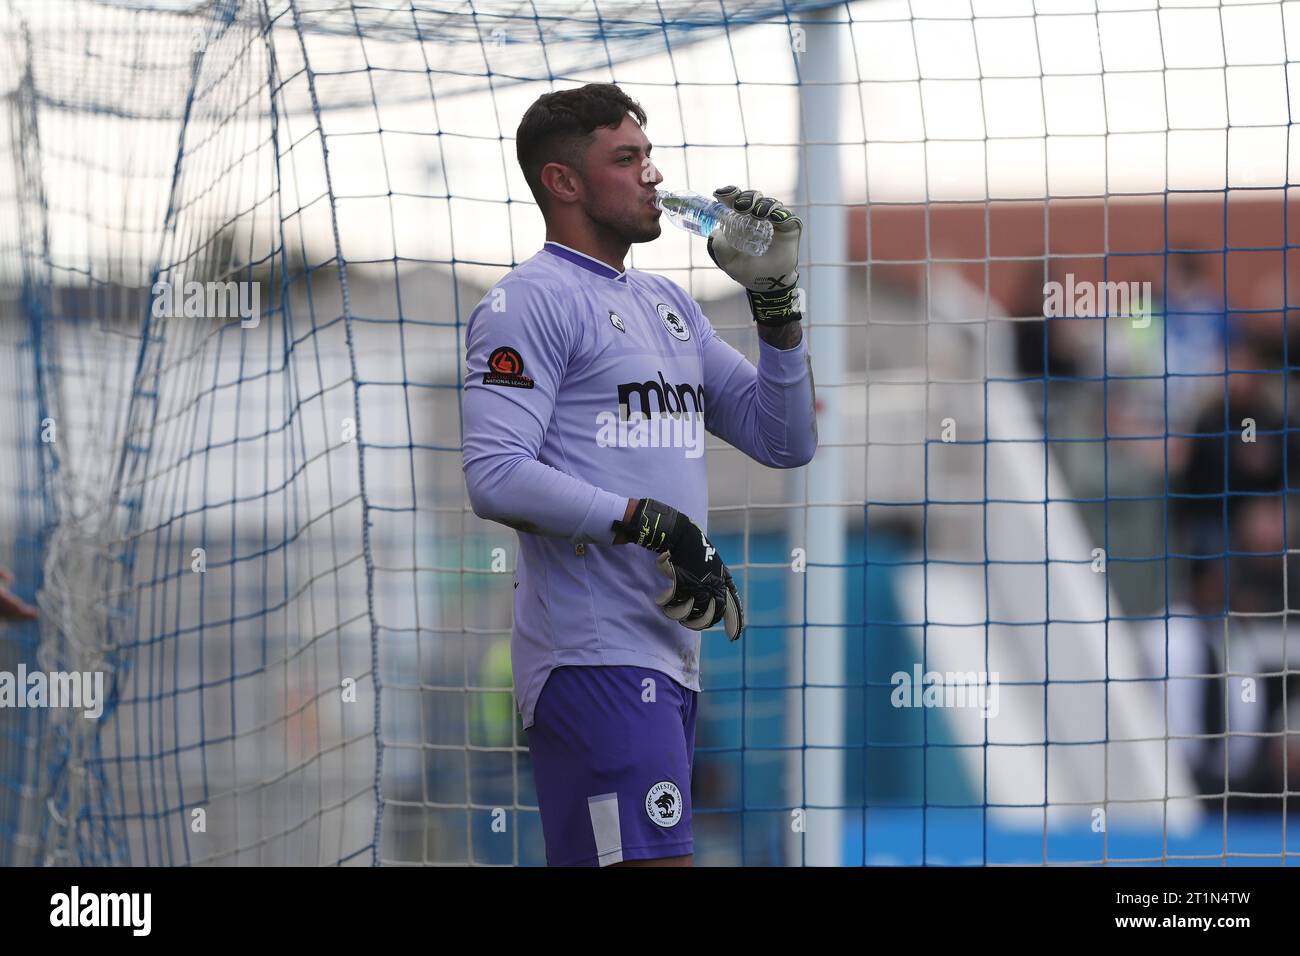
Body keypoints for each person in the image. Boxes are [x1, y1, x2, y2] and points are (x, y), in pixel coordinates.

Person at [461, 83, 817, 866]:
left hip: (665, 664)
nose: (652, 176)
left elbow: (784, 439)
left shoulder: (670, 305)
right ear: (564, 182)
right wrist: (653, 521)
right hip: (593, 663)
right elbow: (495, 475)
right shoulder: (527, 303)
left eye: (649, 157)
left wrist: (775, 305)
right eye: (626, 159)